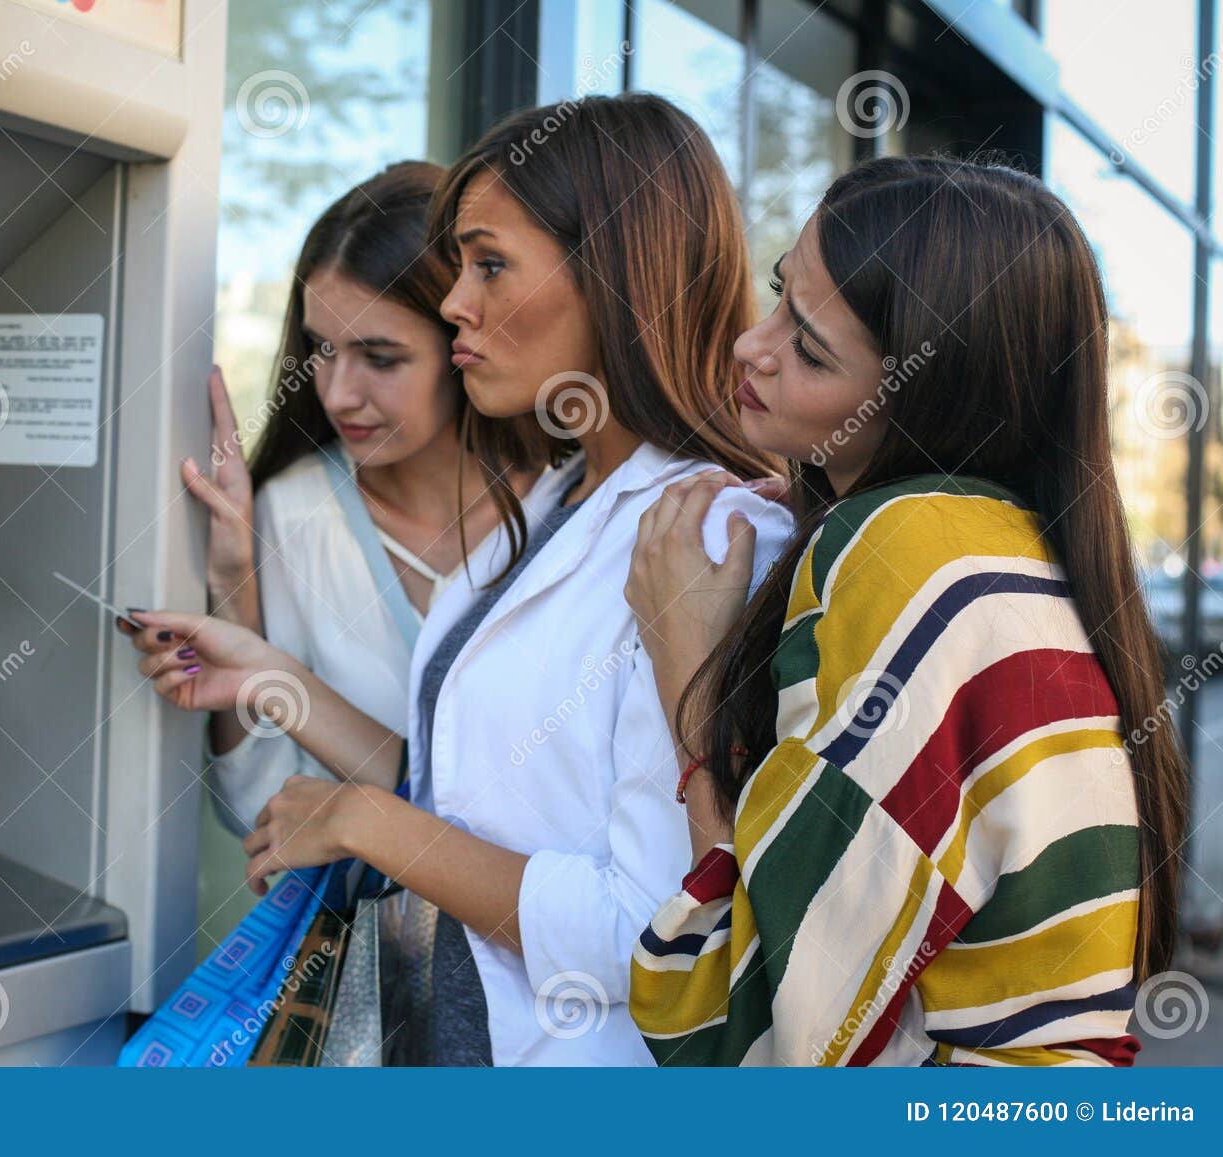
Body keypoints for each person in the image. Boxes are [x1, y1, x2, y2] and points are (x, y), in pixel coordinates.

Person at [128, 94, 793, 1066]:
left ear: (609, 275)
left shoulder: (709, 535)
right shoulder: (562, 500)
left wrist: (366, 820)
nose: (454, 302)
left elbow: (648, 929)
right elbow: (462, 796)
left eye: (489, 264)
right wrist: (262, 669)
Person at [626, 155, 1189, 1066]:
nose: (749, 347)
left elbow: (753, 1025)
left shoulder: (904, 553)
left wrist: (681, 659)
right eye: (778, 295)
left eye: (808, 349)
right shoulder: (1019, 547)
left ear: (930, 394)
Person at [125, 161, 539, 836]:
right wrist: (236, 586)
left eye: (380, 357)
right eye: (322, 349)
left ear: (464, 341)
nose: (339, 393)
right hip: (367, 942)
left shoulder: (567, 505)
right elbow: (254, 809)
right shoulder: (293, 516)